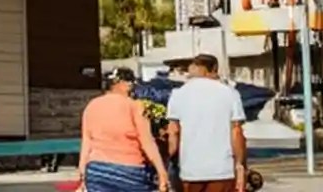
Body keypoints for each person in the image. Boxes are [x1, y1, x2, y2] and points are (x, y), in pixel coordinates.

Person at [77, 68, 170, 192]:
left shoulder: (92, 106)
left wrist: (82, 171)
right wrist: (161, 172)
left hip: (97, 170)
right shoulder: (134, 106)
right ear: (123, 84)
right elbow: (147, 141)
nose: (133, 86)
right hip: (129, 170)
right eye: (131, 82)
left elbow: (87, 141)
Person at [166, 54, 247, 192]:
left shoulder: (178, 94)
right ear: (214, 69)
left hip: (190, 170)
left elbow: (173, 132)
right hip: (222, 170)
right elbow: (236, 131)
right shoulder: (230, 93)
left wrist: (167, 162)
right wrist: (240, 165)